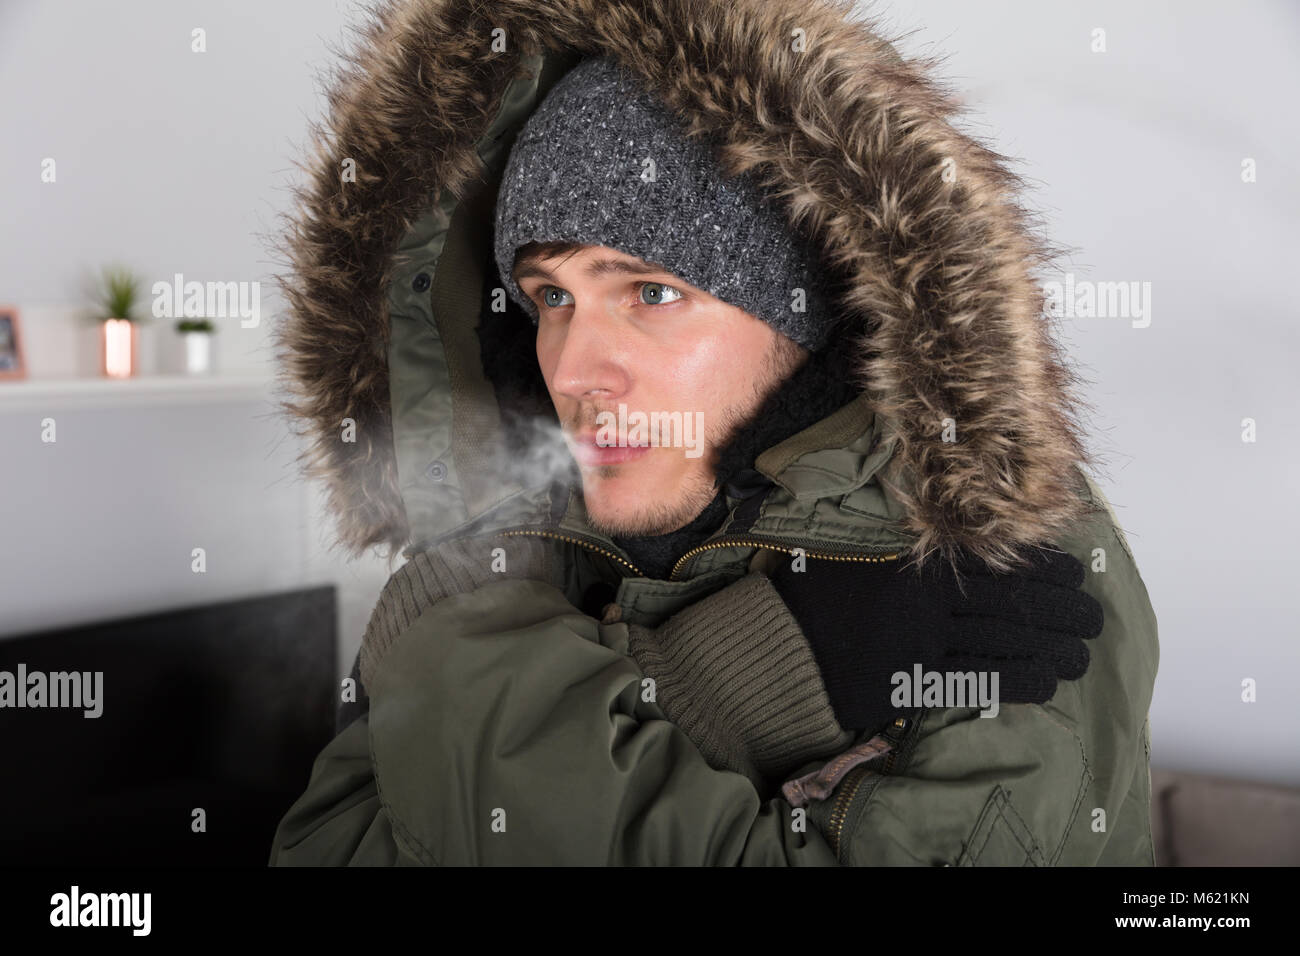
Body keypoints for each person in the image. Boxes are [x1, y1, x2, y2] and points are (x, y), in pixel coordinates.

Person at [268, 0, 1158, 866]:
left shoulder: (981, 559)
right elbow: (328, 844)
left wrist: (445, 669)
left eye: (650, 294)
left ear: (812, 316)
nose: (574, 368)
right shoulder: (520, 534)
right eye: (552, 298)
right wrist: (736, 675)